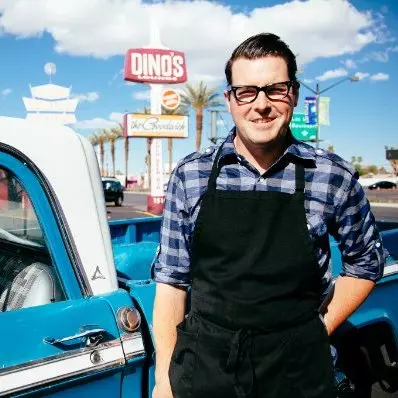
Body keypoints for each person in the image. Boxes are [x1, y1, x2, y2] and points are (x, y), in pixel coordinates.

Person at [152, 33, 385, 398]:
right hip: (206, 369)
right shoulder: (190, 174)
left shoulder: (332, 176)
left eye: (274, 89)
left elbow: (366, 264)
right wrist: (165, 380)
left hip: (298, 373)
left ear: (292, 93)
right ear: (230, 100)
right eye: (246, 91)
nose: (260, 104)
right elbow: (171, 282)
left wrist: (315, 330)